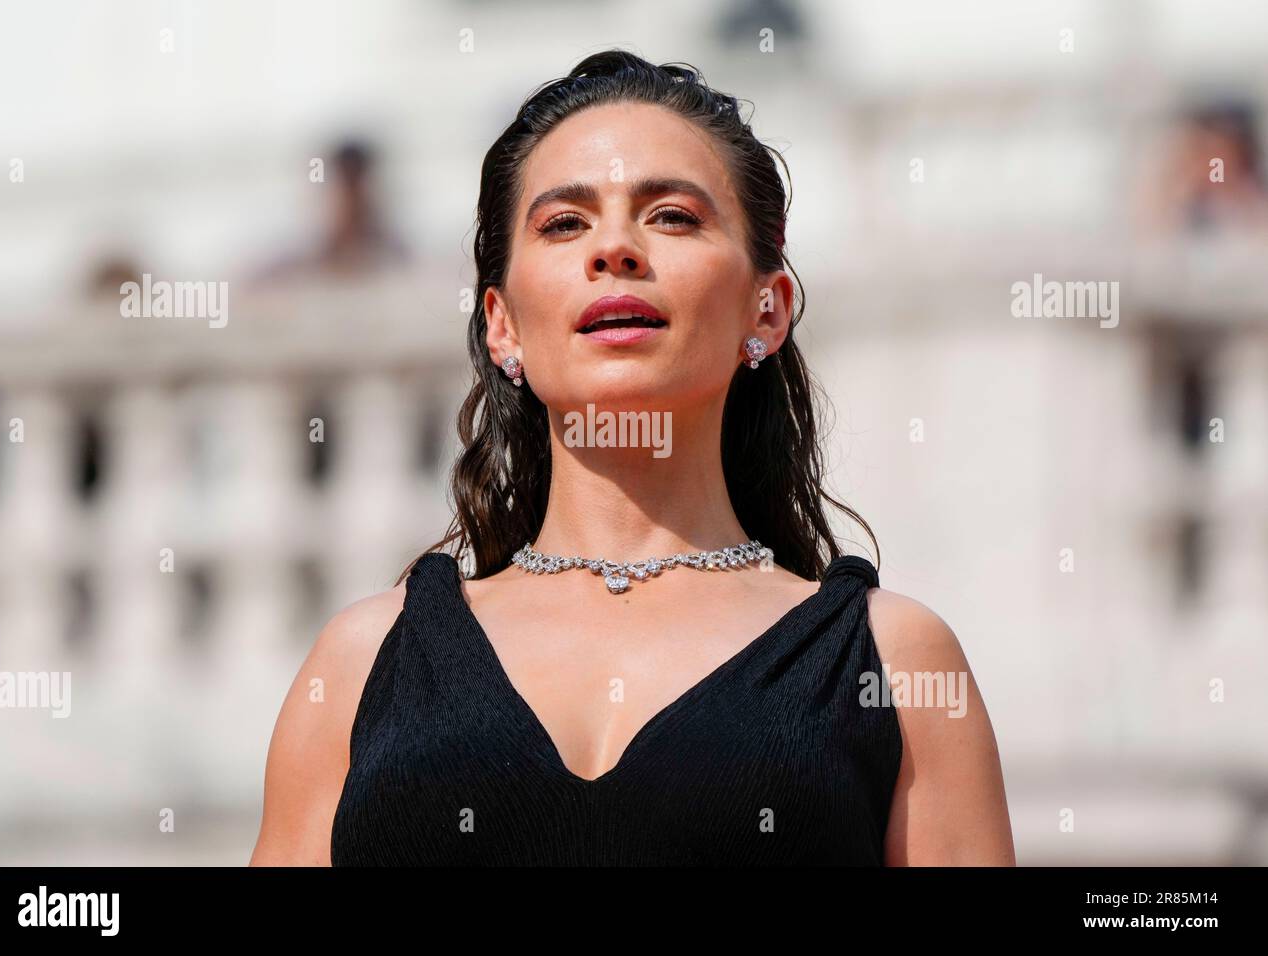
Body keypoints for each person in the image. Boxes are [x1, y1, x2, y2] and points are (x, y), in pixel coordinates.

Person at [249, 50, 1015, 866]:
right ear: (502, 323)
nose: (614, 248)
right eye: (564, 224)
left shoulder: (893, 661)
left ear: (769, 307)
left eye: (673, 216)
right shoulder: (366, 661)